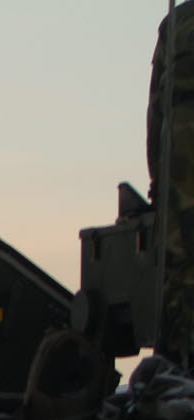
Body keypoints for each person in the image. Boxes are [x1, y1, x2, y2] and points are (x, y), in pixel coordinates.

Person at [153, 3, 194, 360]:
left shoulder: (176, 22)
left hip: (177, 156)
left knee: (179, 263)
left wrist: (157, 178)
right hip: (179, 158)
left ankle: (182, 357)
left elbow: (156, 112)